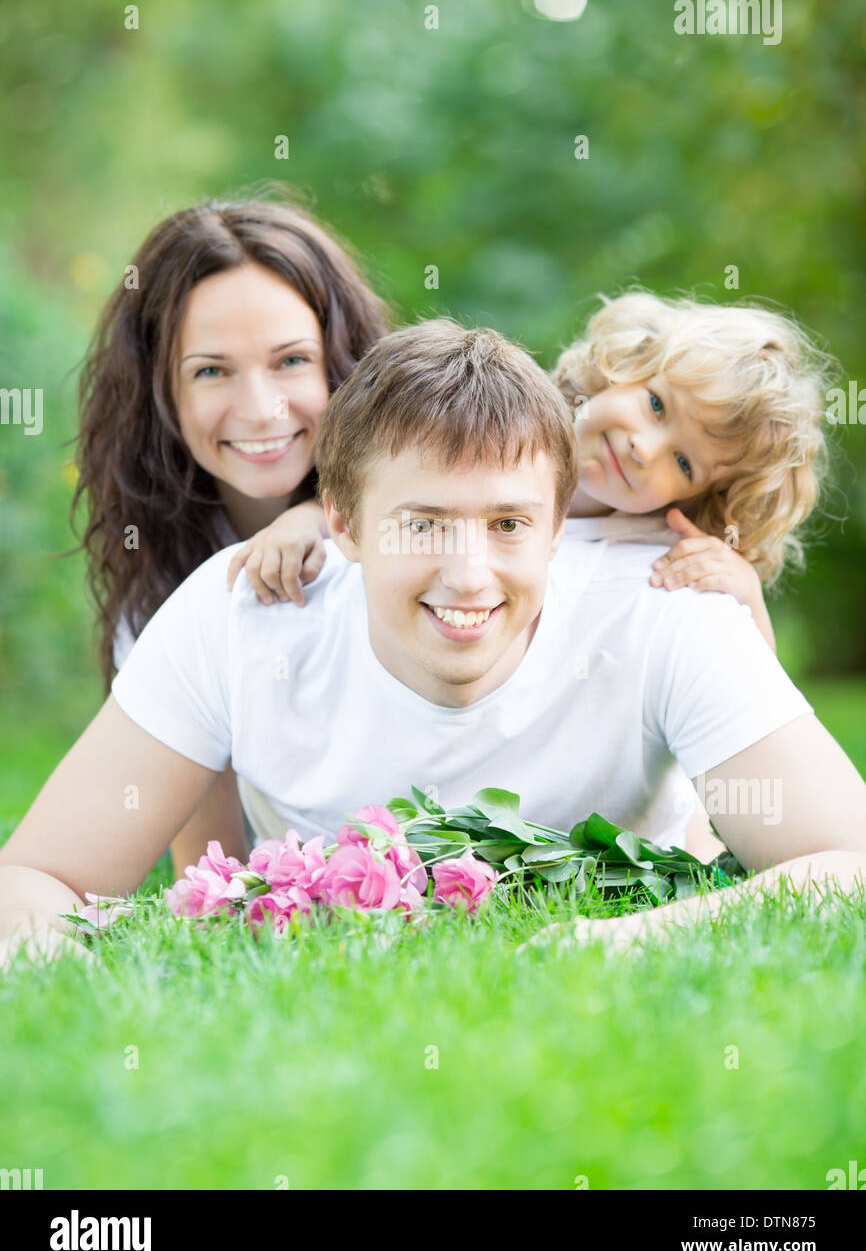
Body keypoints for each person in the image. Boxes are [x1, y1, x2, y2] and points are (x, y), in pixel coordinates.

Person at [2, 318, 864, 967]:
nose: (468, 575)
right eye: (421, 524)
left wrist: (611, 940)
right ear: (341, 520)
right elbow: (32, 880)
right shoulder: (239, 610)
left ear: (559, 524)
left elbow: (851, 863)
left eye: (509, 523)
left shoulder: (673, 606)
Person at [225, 290, 837, 860]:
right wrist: (305, 520)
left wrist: (747, 599)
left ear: (703, 494)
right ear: (620, 365)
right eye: (655, 404)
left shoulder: (655, 557)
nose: (642, 447)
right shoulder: (506, 427)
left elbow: (746, 695)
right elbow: (385, 488)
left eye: (683, 460)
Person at [71, 193, 390, 876]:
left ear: (342, 363)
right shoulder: (167, 588)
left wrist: (323, 518)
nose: (261, 409)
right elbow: (213, 874)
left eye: (292, 361)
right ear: (162, 394)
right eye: (212, 370)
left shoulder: (420, 523)